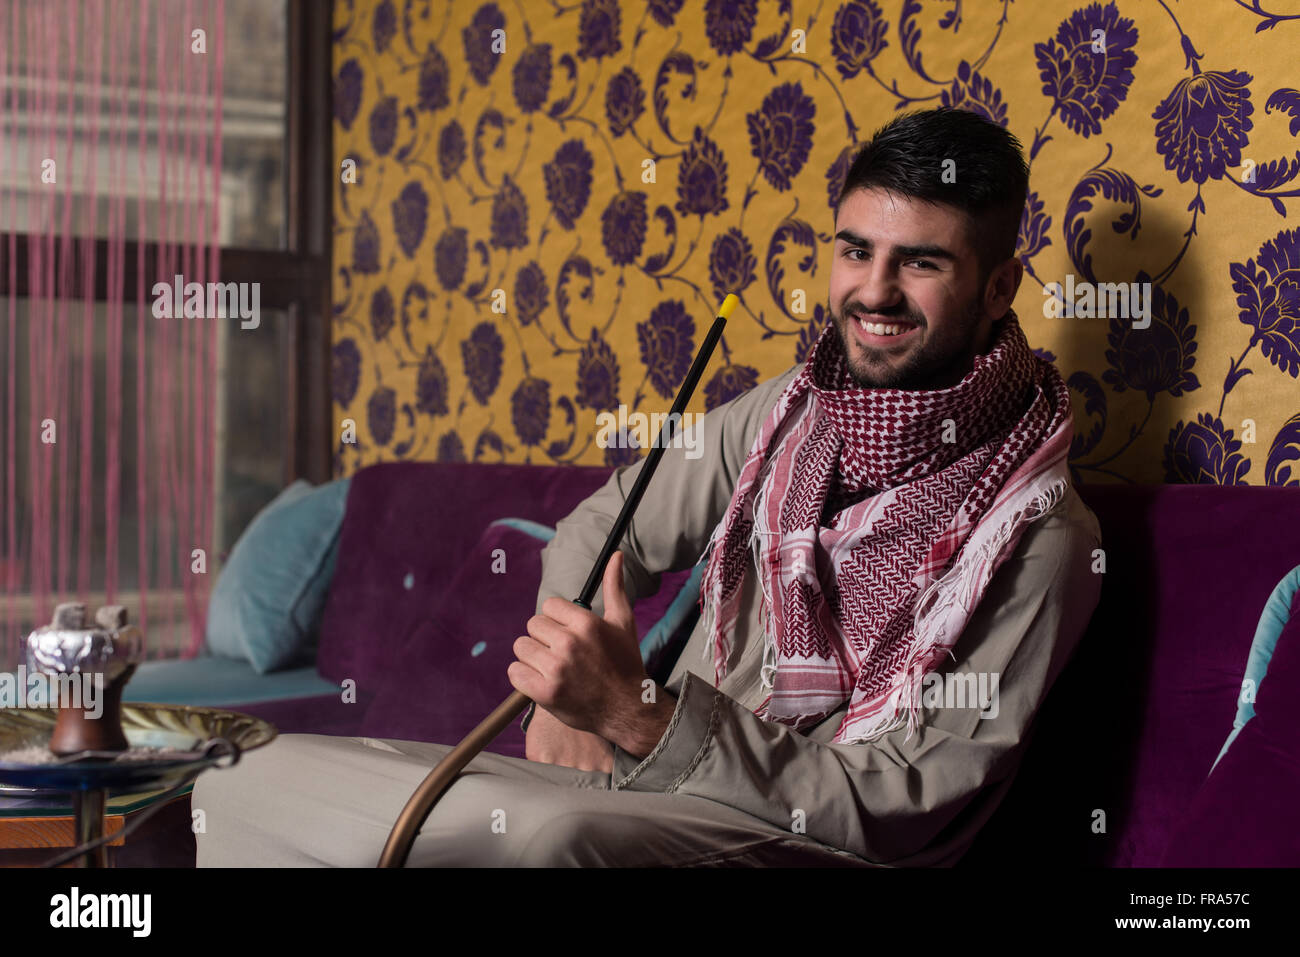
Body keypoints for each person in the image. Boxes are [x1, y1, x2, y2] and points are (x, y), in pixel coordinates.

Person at [193, 107, 1102, 867]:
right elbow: (599, 531)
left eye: (922, 262)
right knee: (241, 776)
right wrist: (570, 695)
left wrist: (639, 713)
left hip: (806, 839)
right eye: (856, 250)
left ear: (996, 287)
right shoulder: (790, 410)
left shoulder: (1038, 533)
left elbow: (899, 800)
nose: (873, 290)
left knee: (553, 838)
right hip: (641, 778)